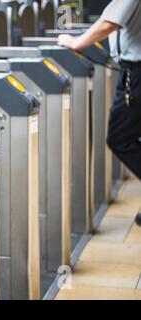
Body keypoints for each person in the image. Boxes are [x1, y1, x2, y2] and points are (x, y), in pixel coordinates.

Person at [58, 0, 141, 226]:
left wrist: (77, 42)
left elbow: (108, 24)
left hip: (136, 72)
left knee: (119, 138)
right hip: (132, 68)